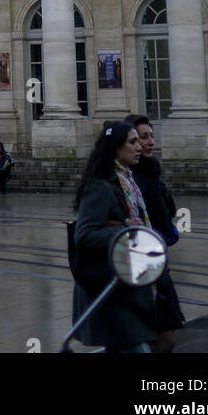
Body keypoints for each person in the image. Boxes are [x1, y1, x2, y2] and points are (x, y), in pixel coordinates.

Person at [69, 120, 158, 354]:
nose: (139, 147)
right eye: (132, 142)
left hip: (123, 283)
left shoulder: (125, 179)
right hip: (110, 285)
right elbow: (84, 234)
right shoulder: (101, 185)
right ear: (116, 148)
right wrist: (124, 231)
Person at [129, 113, 185, 353]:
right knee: (161, 338)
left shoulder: (151, 174)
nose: (151, 142)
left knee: (161, 337)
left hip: (157, 261)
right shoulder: (129, 179)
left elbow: (167, 211)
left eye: (151, 136)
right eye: (143, 137)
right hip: (142, 267)